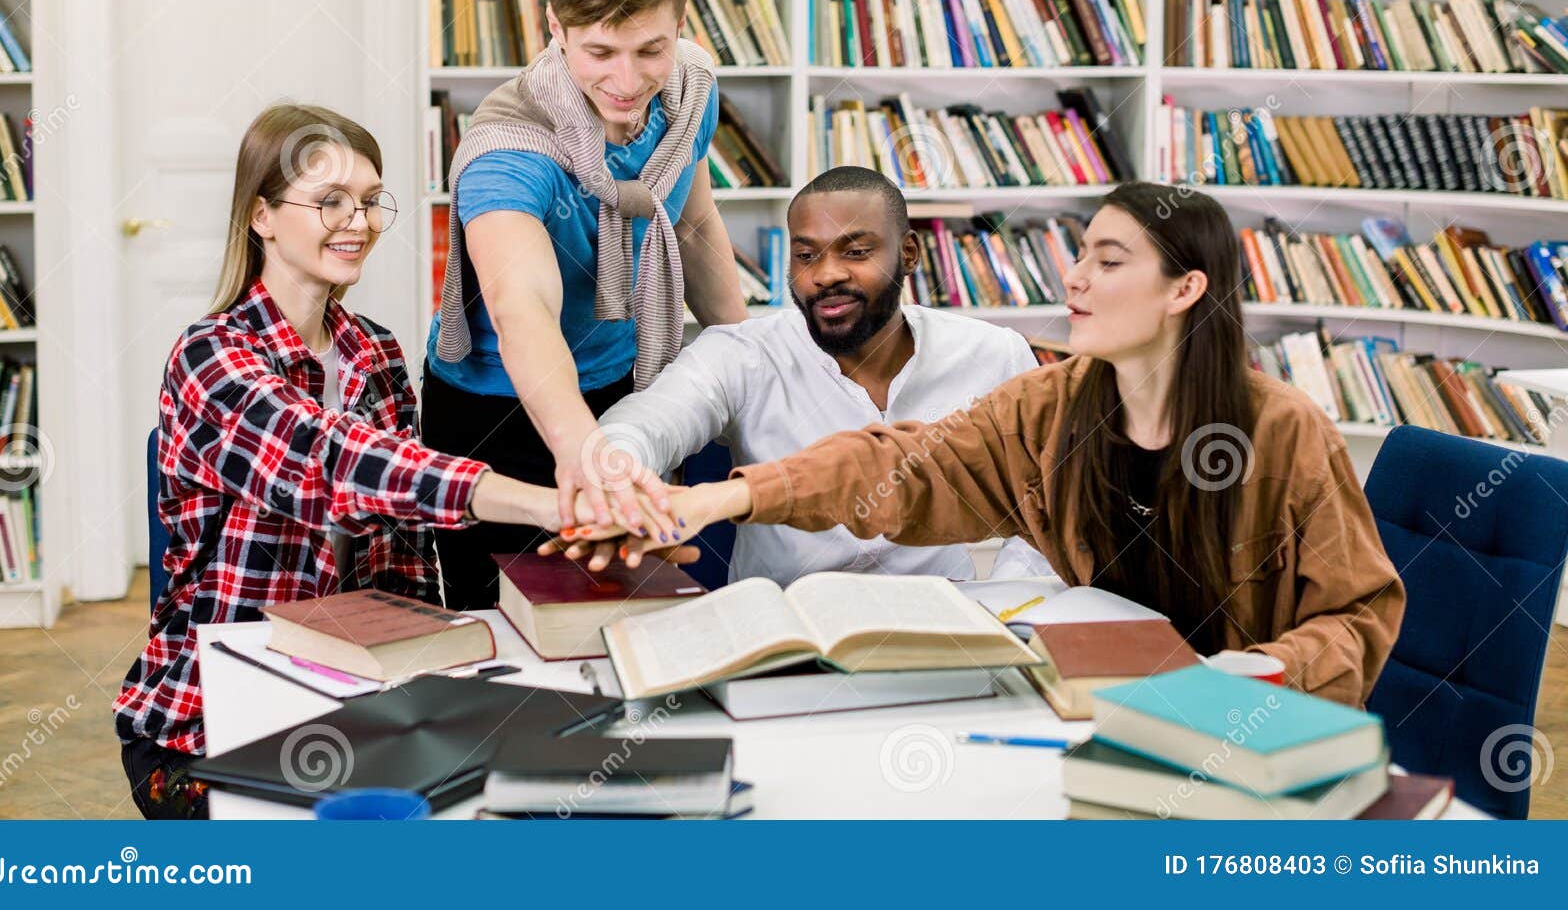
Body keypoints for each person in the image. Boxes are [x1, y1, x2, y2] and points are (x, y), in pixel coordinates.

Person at [556, 182, 1407, 708]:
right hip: (1103, 710)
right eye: (1079, 254)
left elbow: (1360, 615)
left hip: (1241, 737)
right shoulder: (1054, 403)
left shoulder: (1284, 431)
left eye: (1107, 261)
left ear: (1186, 288)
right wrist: (720, 497)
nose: (1072, 277)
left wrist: (1251, 676)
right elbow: (901, 463)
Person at [114, 104, 688, 820]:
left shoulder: (378, 352)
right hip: (208, 724)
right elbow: (339, 465)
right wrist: (549, 499)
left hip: (352, 699)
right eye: (329, 202)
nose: (357, 221)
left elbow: (408, 558)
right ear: (261, 215)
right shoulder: (209, 355)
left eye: (367, 201)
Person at [422, 0, 744, 610]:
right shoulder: (508, 144)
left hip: (627, 383)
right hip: (493, 411)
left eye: (650, 49)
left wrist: (752, 365)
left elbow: (691, 219)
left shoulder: (689, 91)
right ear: (555, 28)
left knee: (629, 609)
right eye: (599, 51)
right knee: (508, 631)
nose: (626, 81)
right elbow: (521, 307)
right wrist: (581, 451)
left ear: (680, 27)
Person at [590, 165, 1051, 584]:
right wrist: (624, 484)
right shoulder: (744, 353)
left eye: (855, 251)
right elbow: (644, 423)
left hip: (946, 620)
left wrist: (1007, 604)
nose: (826, 274)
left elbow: (1050, 495)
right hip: (785, 629)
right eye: (806, 256)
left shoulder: (993, 353)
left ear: (909, 253)